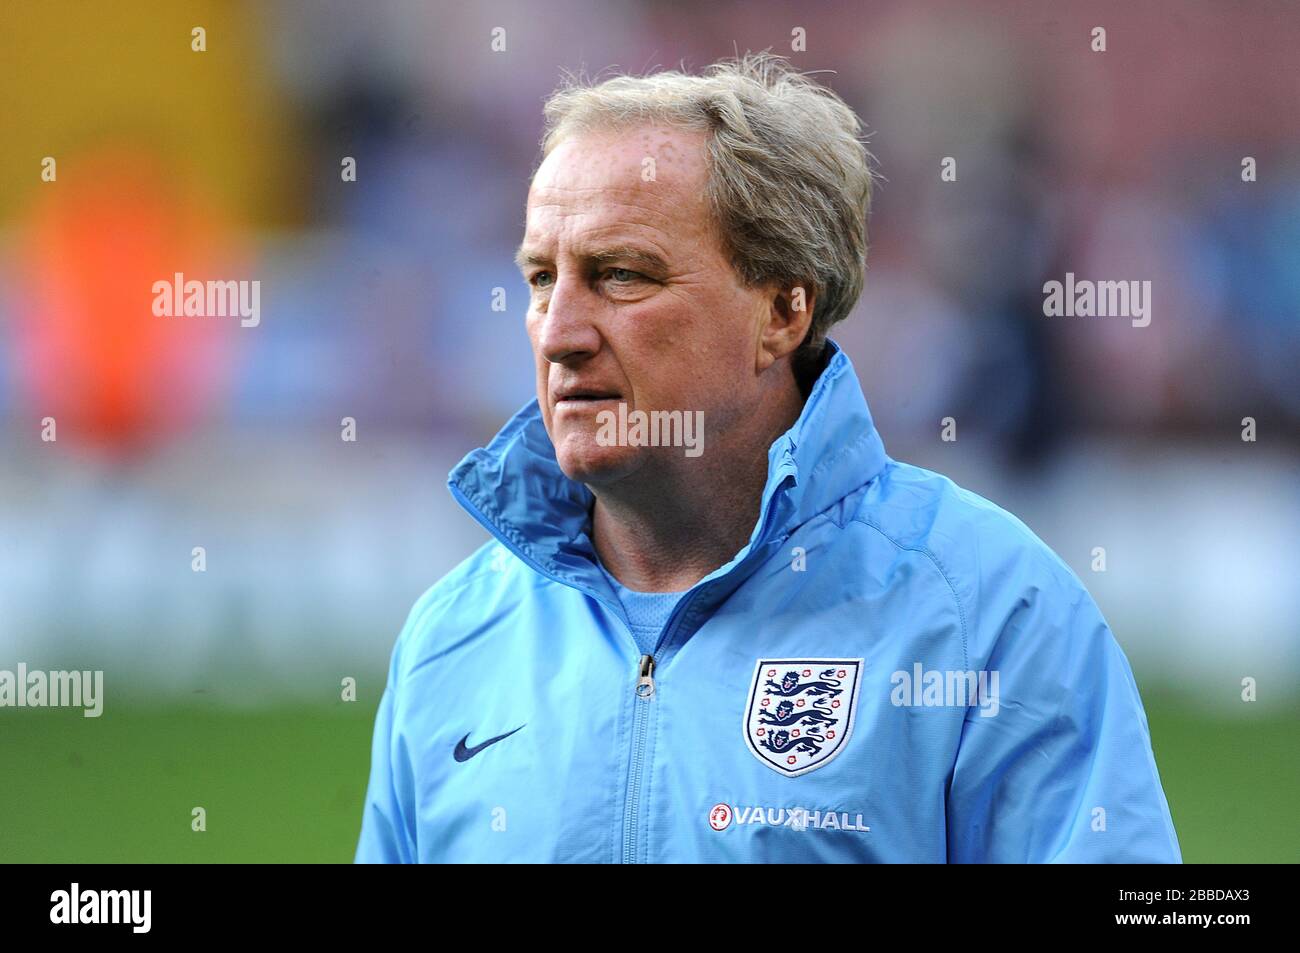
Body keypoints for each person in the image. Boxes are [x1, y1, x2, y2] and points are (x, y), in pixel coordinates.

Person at [355, 52, 1181, 863]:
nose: (559, 332)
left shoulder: (990, 613)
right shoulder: (451, 637)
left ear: (784, 310)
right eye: (542, 278)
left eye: (622, 275)